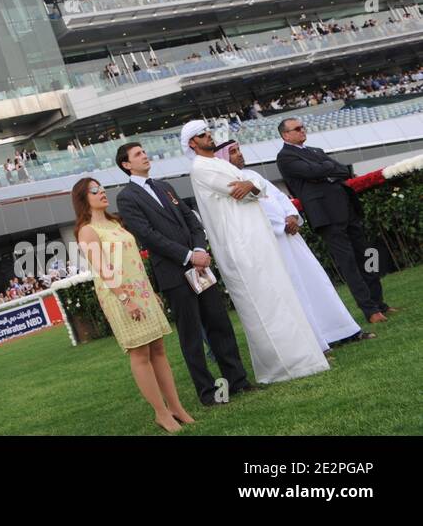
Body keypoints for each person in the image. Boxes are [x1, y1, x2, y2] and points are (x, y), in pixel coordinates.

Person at [182, 121, 329, 384]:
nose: (208, 136)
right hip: (238, 244)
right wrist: (250, 186)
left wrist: (250, 185)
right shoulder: (200, 168)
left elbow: (253, 187)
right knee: (263, 302)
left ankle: (304, 356)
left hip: (257, 237)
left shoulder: (221, 163)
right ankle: (283, 366)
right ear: (192, 143)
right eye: (202, 135)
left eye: (208, 132)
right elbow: (238, 190)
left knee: (281, 294)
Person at [114, 142, 251, 406]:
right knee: (191, 337)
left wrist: (199, 248)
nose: (145, 155)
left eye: (145, 151)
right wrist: (188, 256)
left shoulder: (165, 187)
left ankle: (238, 382)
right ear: (126, 164)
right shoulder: (127, 197)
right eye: (138, 154)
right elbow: (148, 236)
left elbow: (191, 220)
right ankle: (209, 393)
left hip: (199, 268)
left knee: (219, 324)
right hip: (174, 274)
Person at [218, 140, 368, 348]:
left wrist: (291, 217)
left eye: (239, 150)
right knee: (297, 291)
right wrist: (282, 225)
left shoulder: (253, 175)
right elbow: (251, 214)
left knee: (317, 283)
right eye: (233, 152)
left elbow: (279, 197)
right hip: (273, 244)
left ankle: (344, 330)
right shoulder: (228, 184)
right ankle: (319, 341)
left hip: (291, 237)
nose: (239, 155)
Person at [74, 177, 192, 433]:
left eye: (102, 187)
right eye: (95, 190)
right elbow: (103, 269)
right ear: (84, 199)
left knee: (159, 349)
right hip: (119, 296)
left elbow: (132, 260)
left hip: (142, 291)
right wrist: (126, 299)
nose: (102, 192)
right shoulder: (87, 230)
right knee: (140, 354)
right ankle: (161, 413)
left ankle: (176, 407)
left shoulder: (115, 222)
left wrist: (149, 291)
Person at [275, 118, 394, 325]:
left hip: (348, 210)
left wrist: (325, 168)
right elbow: (315, 172)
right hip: (327, 217)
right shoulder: (285, 157)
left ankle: (380, 303)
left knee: (368, 255)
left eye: (303, 126)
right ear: (285, 135)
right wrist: (326, 168)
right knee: (348, 264)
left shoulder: (315, 151)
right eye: (297, 129)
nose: (303, 130)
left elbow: (343, 170)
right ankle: (370, 310)